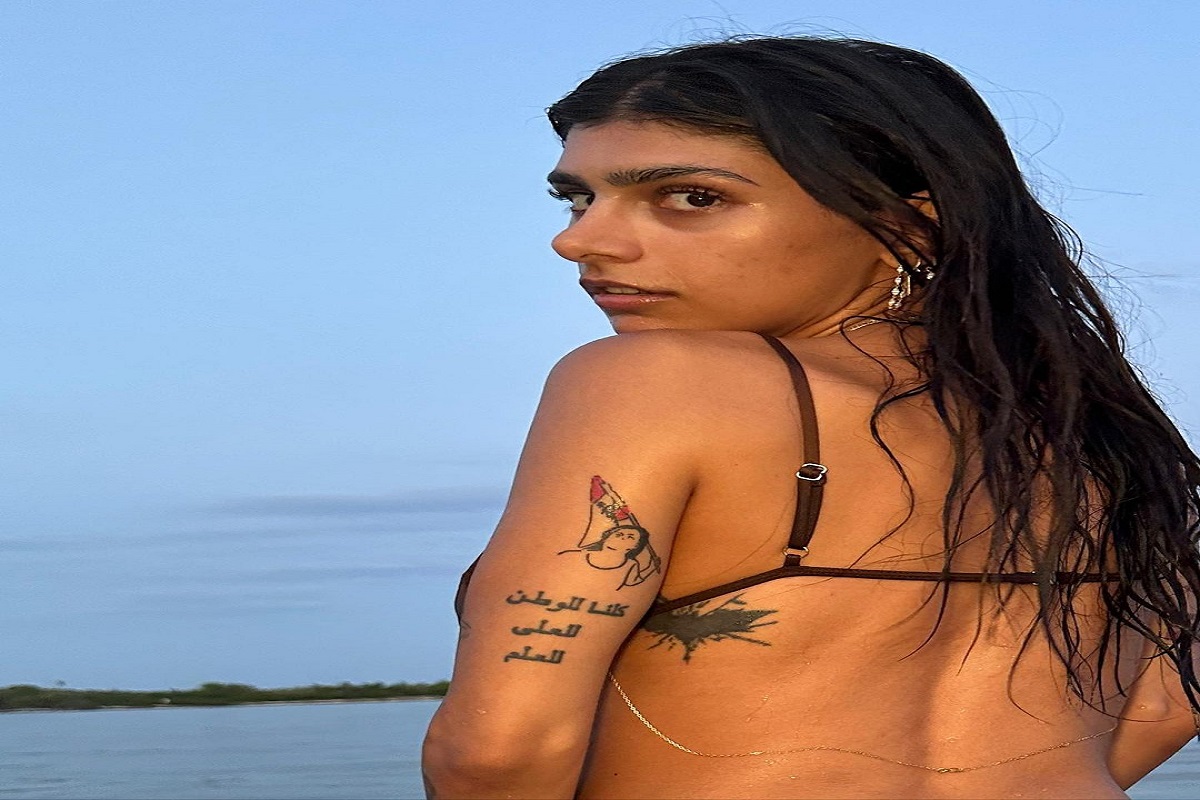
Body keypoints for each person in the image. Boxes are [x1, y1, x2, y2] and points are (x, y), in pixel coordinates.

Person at [421, 36, 1200, 799]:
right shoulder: (1108, 436)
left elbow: (499, 752)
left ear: (905, 225)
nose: (577, 240)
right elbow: (1168, 705)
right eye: (579, 198)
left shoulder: (651, 383)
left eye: (691, 197)